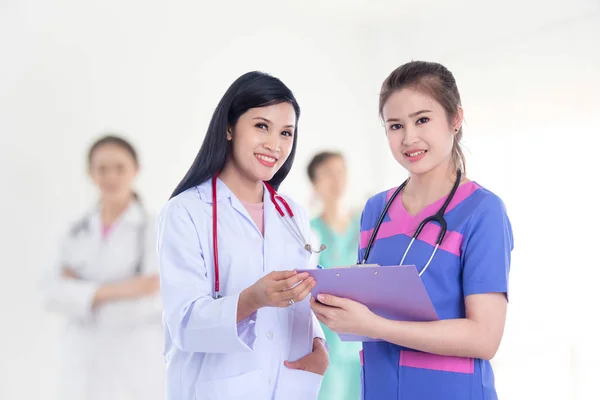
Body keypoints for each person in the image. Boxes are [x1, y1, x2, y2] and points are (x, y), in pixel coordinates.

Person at [310, 61, 514, 400]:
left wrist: (373, 326)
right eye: (395, 125)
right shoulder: (376, 209)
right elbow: (373, 302)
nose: (408, 138)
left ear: (455, 118)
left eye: (422, 120)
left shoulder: (483, 211)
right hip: (379, 387)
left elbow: (485, 337)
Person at [156, 71, 329, 400]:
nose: (274, 145)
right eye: (261, 126)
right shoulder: (186, 212)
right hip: (214, 387)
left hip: (288, 385)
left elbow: (298, 297)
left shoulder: (292, 214)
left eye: (286, 133)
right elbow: (184, 323)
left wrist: (319, 344)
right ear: (230, 127)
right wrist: (253, 298)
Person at [42, 135, 164, 400]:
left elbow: (157, 293)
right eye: (101, 169)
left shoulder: (155, 229)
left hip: (136, 361)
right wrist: (126, 289)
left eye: (119, 168)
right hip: (83, 363)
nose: (111, 177)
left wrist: (82, 293)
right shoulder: (74, 231)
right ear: (90, 173)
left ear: (136, 170)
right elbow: (51, 293)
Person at [306, 151, 362, 400]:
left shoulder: (364, 224)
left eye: (341, 171)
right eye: (328, 173)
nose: (336, 179)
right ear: (315, 182)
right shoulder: (309, 232)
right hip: (327, 335)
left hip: (365, 333)